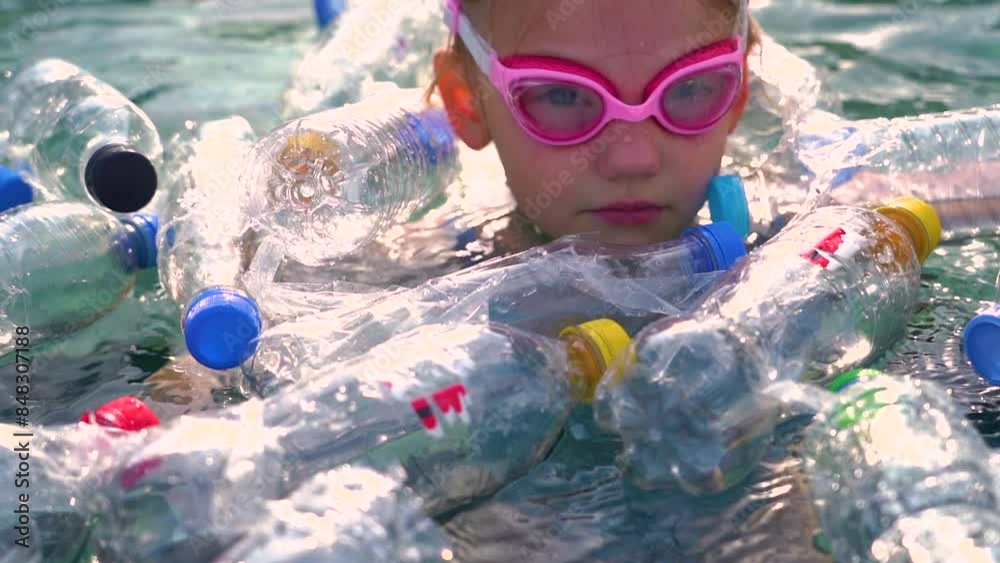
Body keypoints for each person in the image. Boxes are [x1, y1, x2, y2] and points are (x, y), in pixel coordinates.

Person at [429, 0, 762, 253]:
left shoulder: (792, 236)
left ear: (738, 93)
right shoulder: (428, 281)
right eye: (563, 95)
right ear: (466, 103)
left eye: (687, 89)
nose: (632, 161)